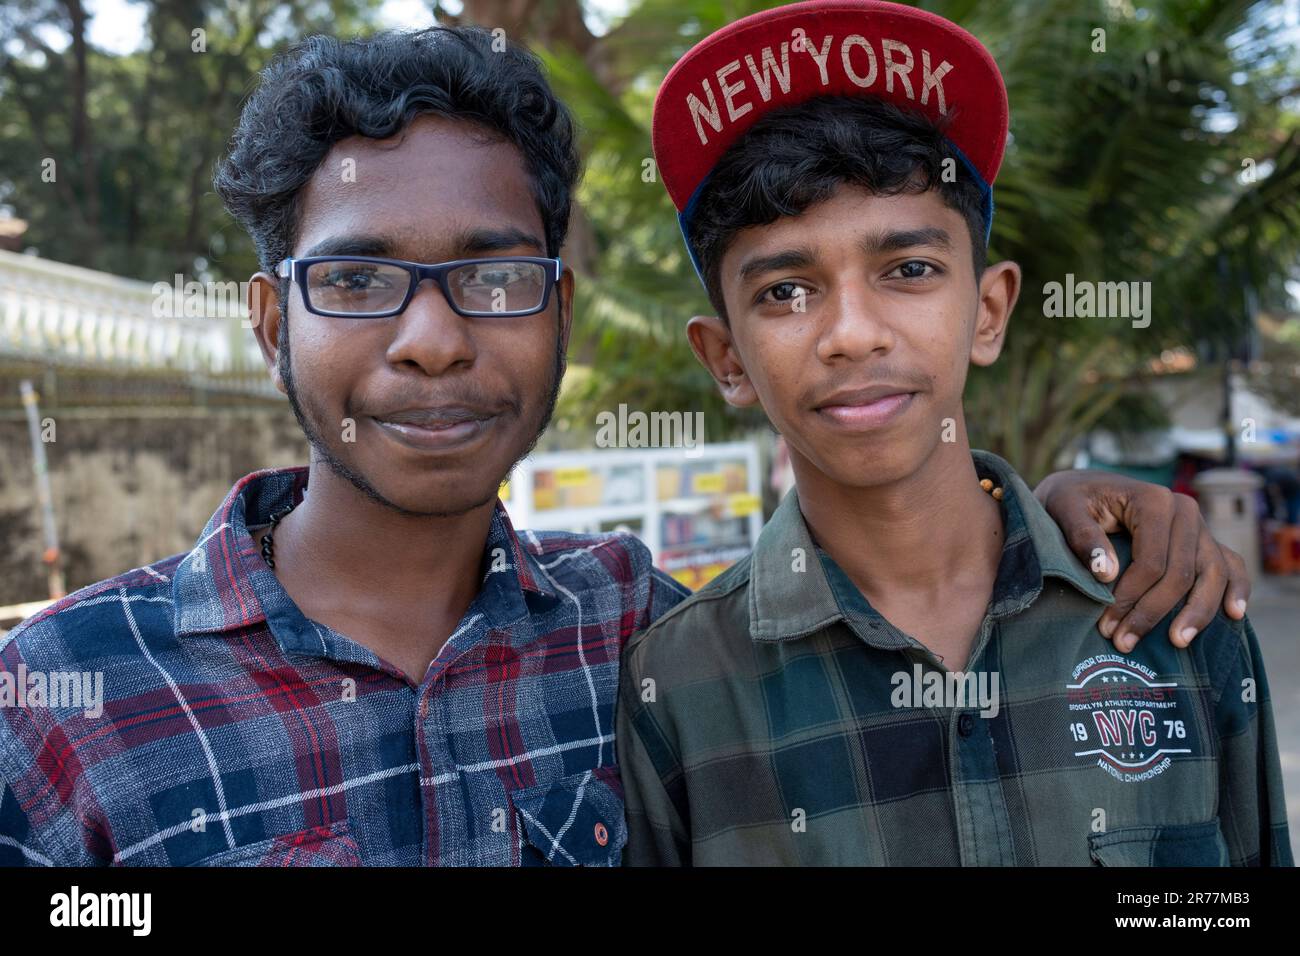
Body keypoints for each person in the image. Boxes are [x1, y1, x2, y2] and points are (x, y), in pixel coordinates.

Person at [0, 23, 1254, 868]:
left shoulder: (624, 629)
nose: (432, 341)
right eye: (361, 278)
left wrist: (1080, 516)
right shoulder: (69, 702)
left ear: (558, 308)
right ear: (273, 318)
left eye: (493, 277)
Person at [617, 0, 1290, 866]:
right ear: (726, 359)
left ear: (990, 309)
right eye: (785, 289)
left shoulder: (1173, 609)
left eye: (909, 269)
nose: (852, 333)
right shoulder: (679, 692)